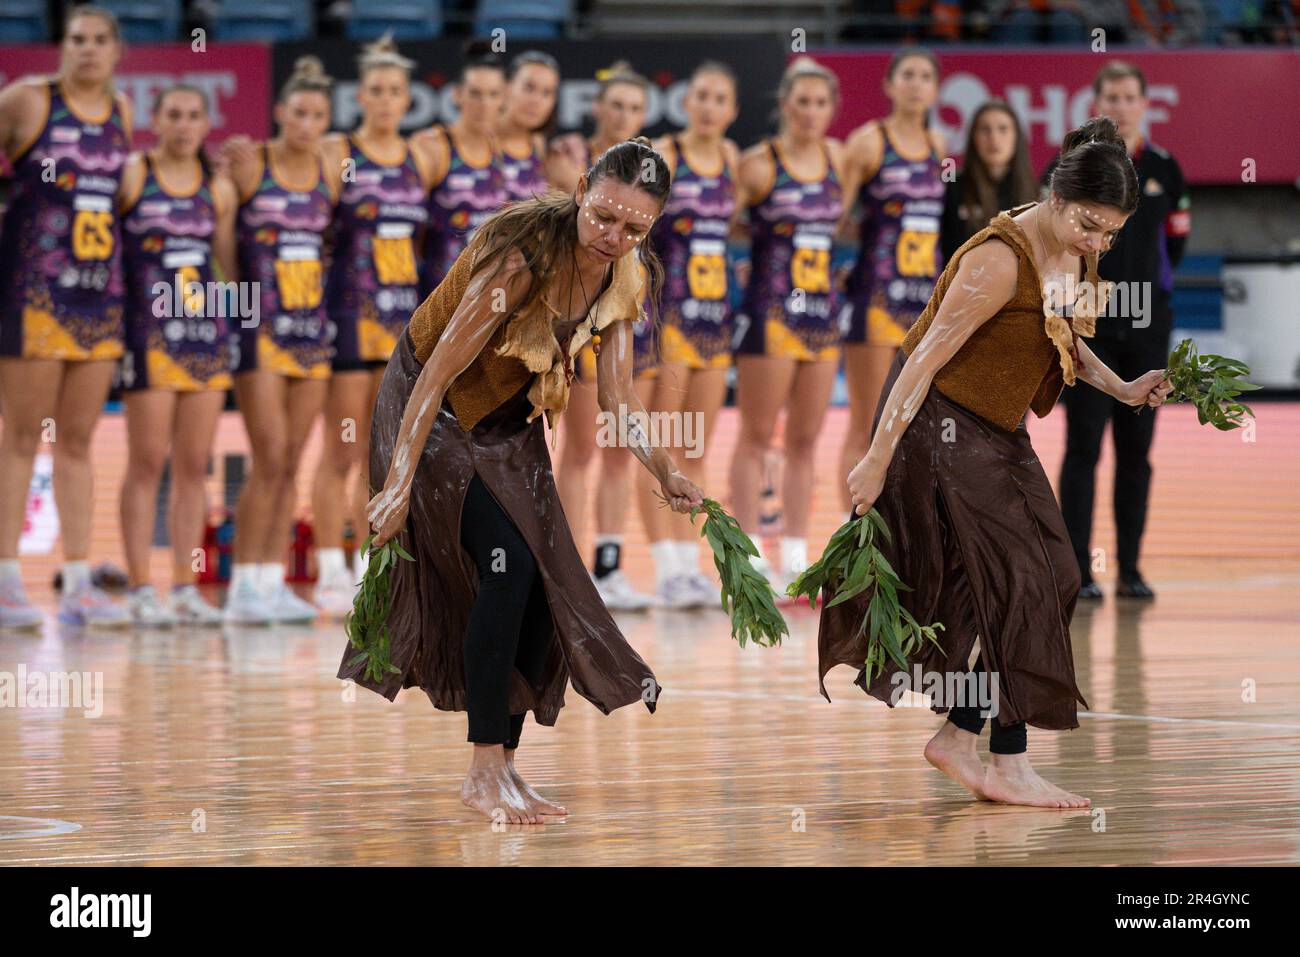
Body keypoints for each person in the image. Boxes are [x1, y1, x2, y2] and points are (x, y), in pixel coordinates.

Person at [345, 139, 704, 824]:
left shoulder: (625, 273)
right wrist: (396, 483)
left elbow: (620, 400)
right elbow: (439, 369)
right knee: (508, 571)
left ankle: (505, 766)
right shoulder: (521, 261)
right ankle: (482, 768)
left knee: (547, 587)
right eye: (604, 217)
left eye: (635, 228)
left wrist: (667, 468)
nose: (614, 237)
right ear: (579, 189)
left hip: (509, 420)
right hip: (432, 412)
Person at [819, 116, 1173, 808]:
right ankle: (1004, 758)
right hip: (937, 427)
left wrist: (1125, 387)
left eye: (1111, 233)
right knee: (1022, 580)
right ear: (1056, 196)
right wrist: (875, 458)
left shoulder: (1073, 255)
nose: (1099, 242)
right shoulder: (998, 259)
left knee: (1055, 575)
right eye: (1090, 225)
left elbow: (1064, 338)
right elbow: (920, 360)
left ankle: (961, 736)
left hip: (999, 432)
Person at [0, 5, 133, 628]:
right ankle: (7, 582)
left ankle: (78, 582)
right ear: (63, 46)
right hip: (35, 295)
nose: (85, 49)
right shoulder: (27, 101)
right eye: (76, 39)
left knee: (77, 441)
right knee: (22, 437)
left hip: (98, 298)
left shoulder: (123, 114)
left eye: (98, 40)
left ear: (115, 50)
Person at [1049, 61, 1191, 600]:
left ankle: (1130, 570)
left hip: (1147, 328)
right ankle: (1079, 573)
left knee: (1137, 453)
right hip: (1089, 326)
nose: (1122, 104)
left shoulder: (1165, 167)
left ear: (1145, 103)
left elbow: (1176, 242)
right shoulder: (1071, 167)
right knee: (1082, 447)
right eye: (1112, 95)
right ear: (1097, 102)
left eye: (1131, 96)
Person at [312, 35, 432, 617]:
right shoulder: (338, 150)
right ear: (360, 95)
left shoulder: (421, 158)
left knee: (388, 453)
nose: (385, 100)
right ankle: (329, 567)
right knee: (343, 448)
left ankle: (375, 564)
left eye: (395, 92)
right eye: (375, 91)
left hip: (402, 324)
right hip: (348, 321)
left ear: (408, 100)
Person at [220, 56, 338, 625]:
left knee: (291, 459)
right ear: (279, 113)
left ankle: (270, 579)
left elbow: (333, 245)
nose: (307, 122)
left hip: (310, 330)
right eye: (299, 111)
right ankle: (243, 581)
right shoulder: (250, 166)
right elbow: (220, 246)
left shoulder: (330, 173)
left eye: (318, 114)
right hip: (259, 329)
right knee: (267, 455)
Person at [116, 85, 237, 626]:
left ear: (206, 123)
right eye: (173, 115)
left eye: (193, 115)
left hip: (204, 337)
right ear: (155, 120)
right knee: (146, 463)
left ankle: (185, 588)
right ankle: (141, 586)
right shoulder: (134, 173)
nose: (184, 125)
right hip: (148, 334)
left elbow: (229, 269)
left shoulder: (219, 188)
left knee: (193, 465)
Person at [730, 56, 846, 594]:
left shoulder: (841, 161)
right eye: (802, 101)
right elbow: (718, 222)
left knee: (805, 439)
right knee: (756, 437)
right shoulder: (757, 164)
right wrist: (740, 262)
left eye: (821, 102)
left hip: (820, 317)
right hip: (770, 314)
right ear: (784, 105)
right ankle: (748, 561)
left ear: (832, 110)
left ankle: (798, 558)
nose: (810, 112)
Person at [551, 62, 659, 611]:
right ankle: (567, 565)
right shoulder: (571, 159)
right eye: (614, 106)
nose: (623, 116)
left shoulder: (656, 171)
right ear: (598, 109)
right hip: (577, 316)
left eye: (633, 108)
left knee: (620, 446)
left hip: (625, 309)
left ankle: (610, 565)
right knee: (580, 448)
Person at [635, 61, 741, 608]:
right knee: (665, 443)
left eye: (718, 98)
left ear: (732, 111)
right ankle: (665, 565)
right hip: (668, 318)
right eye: (700, 94)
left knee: (697, 443)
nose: (707, 105)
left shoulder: (731, 161)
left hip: (714, 321)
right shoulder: (665, 155)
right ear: (686, 101)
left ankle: (689, 563)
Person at [838, 48, 946, 514]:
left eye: (925, 76)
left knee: (910, 421)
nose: (916, 84)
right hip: (876, 298)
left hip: (925, 301)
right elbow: (832, 216)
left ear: (936, 88)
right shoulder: (868, 142)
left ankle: (896, 537)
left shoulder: (940, 145)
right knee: (868, 421)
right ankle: (848, 535)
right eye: (907, 75)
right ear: (889, 85)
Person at [413, 40, 508, 297]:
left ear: (504, 97)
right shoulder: (433, 146)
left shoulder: (502, 150)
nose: (484, 104)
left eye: (492, 94)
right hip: (437, 298)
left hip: (485, 300)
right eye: (475, 93)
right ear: (457, 94)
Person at [940, 99, 1037, 262]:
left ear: (1016, 137)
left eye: (1003, 129)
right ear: (973, 137)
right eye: (985, 129)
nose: (994, 138)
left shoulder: (1034, 194)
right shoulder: (952, 187)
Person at [496, 50, 560, 205]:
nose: (536, 100)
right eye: (529, 88)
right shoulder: (478, 137)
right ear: (506, 87)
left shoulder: (539, 145)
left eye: (547, 93)